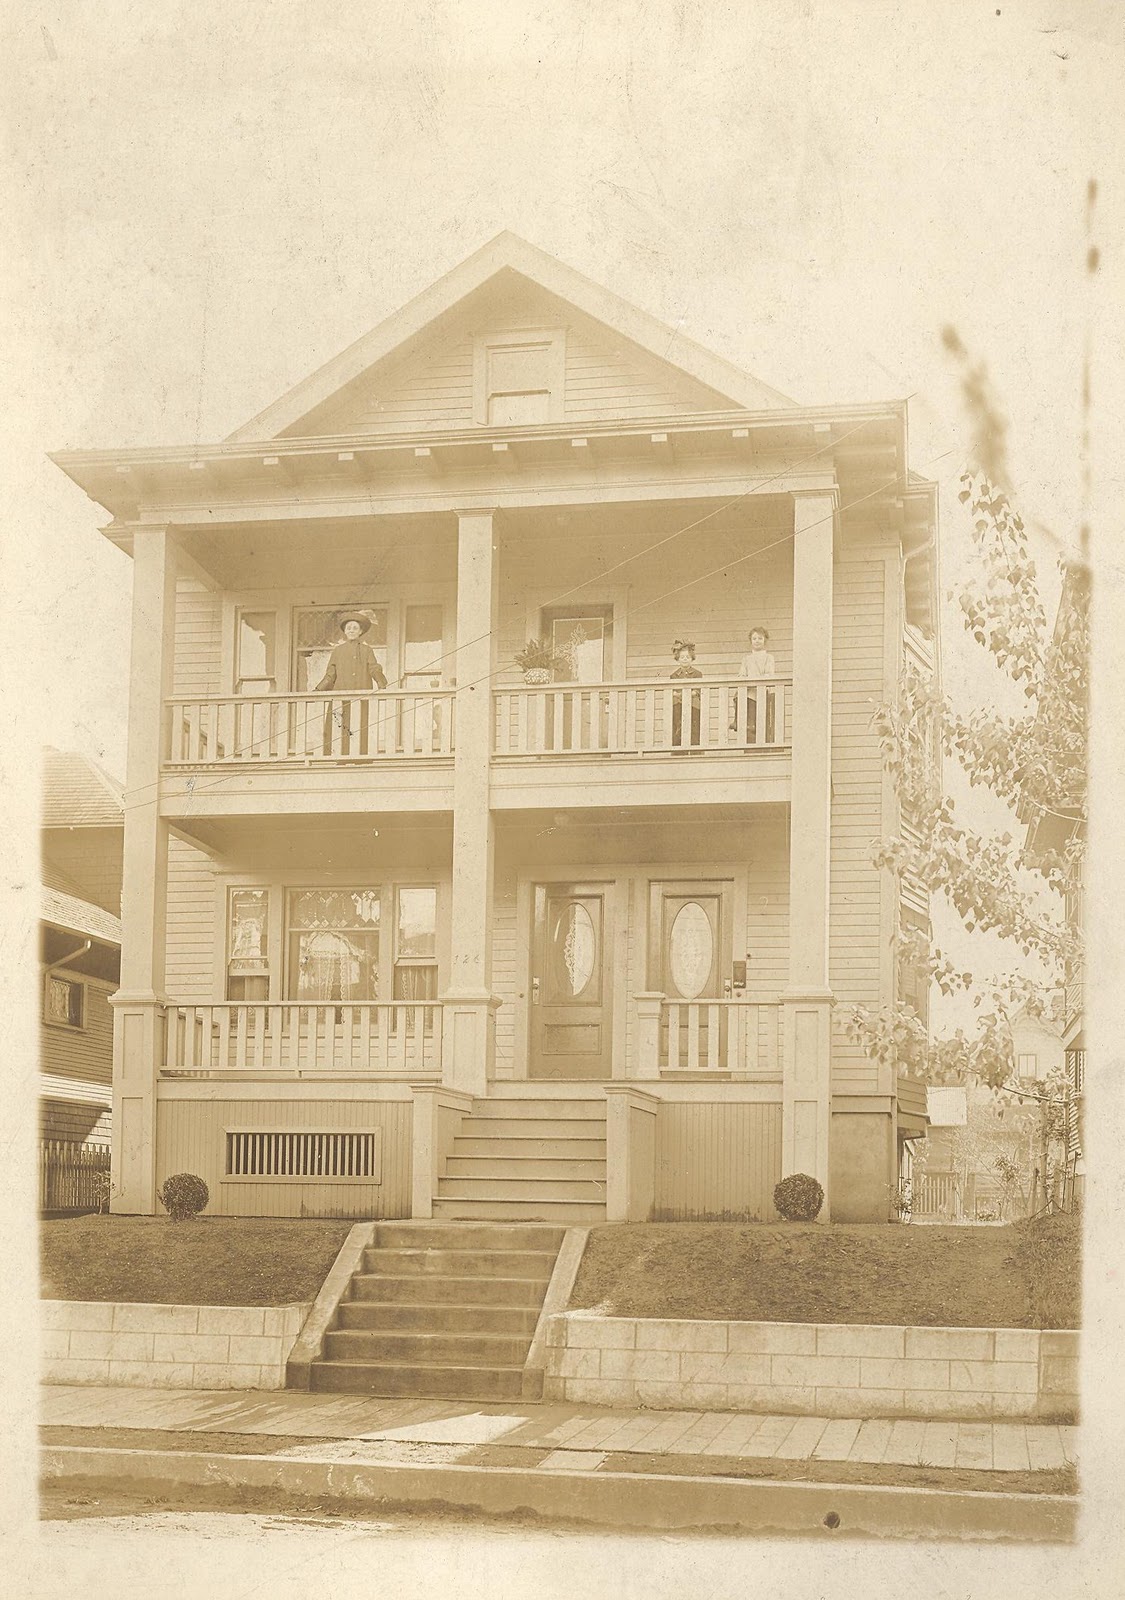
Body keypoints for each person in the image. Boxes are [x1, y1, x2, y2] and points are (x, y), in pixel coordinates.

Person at [316, 612, 387, 753]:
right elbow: (330, 674)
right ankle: (340, 757)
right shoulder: (338, 651)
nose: (351, 630)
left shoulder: (367, 650)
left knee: (360, 725)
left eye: (355, 628)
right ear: (344, 631)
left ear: (361, 631)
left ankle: (360, 756)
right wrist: (318, 690)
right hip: (340, 697)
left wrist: (380, 681)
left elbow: (374, 668)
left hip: (361, 696)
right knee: (341, 727)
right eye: (349, 628)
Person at [733, 626, 776, 743]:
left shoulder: (768, 657)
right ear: (751, 641)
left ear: (765, 640)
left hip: (763, 695)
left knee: (762, 722)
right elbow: (742, 674)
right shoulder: (746, 659)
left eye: (760, 638)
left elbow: (769, 674)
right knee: (749, 724)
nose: (757, 641)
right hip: (749, 695)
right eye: (754, 638)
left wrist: (756, 681)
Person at [669, 639, 702, 748]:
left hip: (694, 706)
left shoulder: (697, 674)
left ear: (692, 659)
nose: (685, 659)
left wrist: (689, 693)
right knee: (678, 728)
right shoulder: (674, 675)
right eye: (682, 657)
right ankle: (678, 752)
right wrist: (678, 694)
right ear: (678, 659)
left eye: (687, 657)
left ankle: (695, 752)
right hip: (678, 705)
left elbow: (697, 690)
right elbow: (673, 692)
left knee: (694, 728)